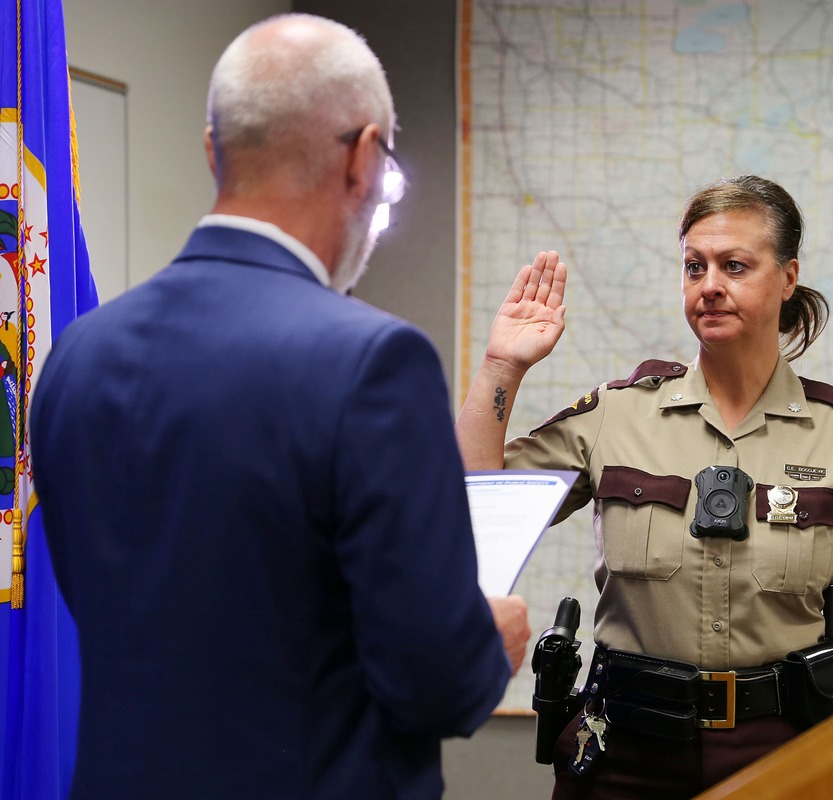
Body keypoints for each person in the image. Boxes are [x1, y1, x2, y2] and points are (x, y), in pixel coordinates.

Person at [30, 14, 529, 800]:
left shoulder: (76, 355)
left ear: (210, 150)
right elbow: (434, 682)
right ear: (365, 158)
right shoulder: (372, 364)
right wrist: (485, 644)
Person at [456, 175, 833, 798]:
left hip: (780, 748)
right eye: (694, 266)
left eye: (734, 266)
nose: (710, 286)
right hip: (625, 749)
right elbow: (474, 510)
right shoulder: (616, 416)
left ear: (787, 279)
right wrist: (502, 366)